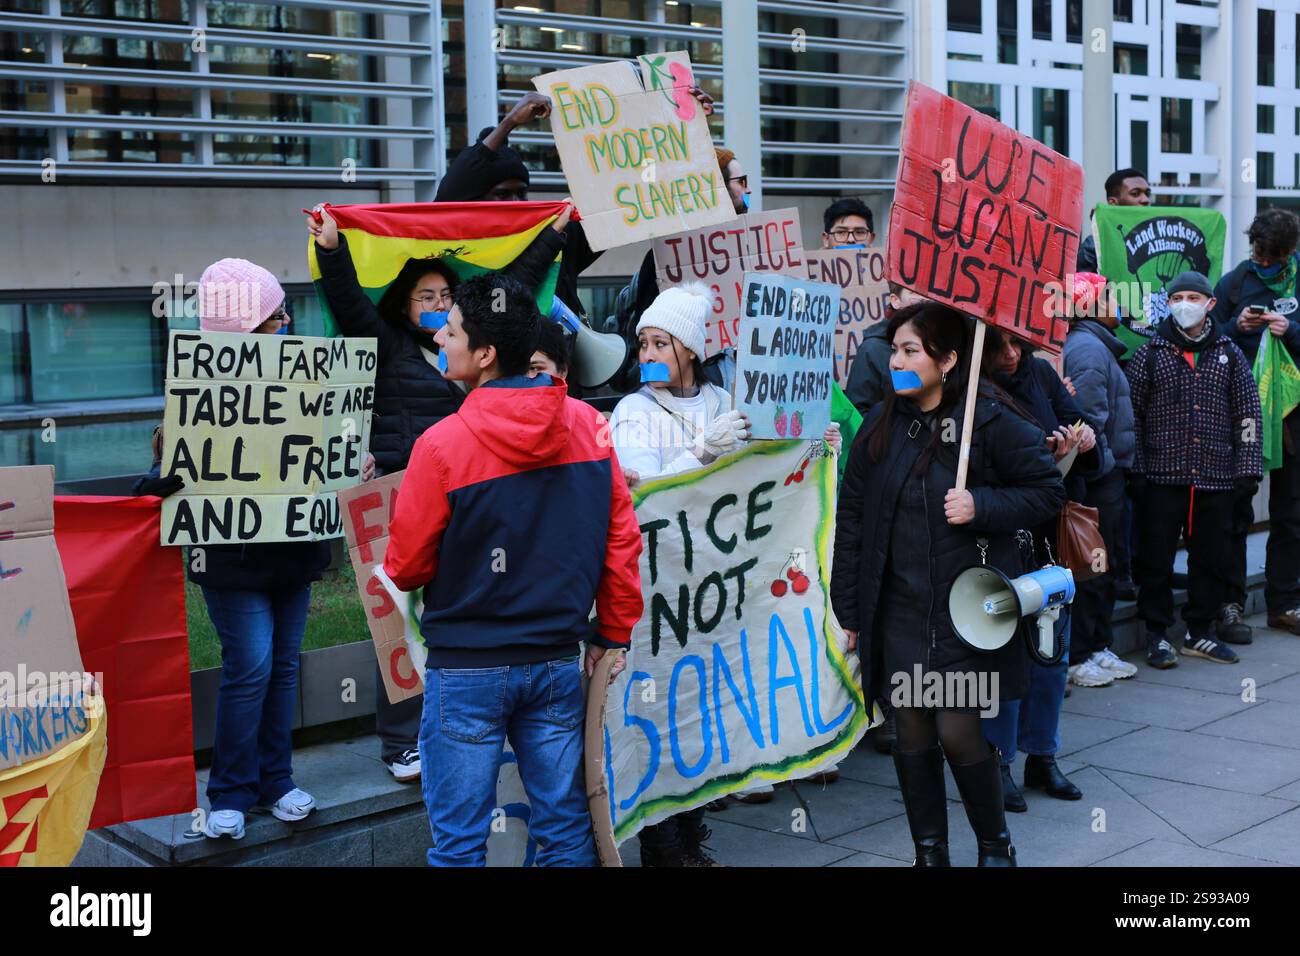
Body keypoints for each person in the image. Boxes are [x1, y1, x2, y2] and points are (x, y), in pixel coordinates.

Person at [382, 273, 644, 867]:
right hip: (556, 660)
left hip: (467, 669)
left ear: (486, 354)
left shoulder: (440, 445)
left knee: (458, 845)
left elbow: (406, 564)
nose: (441, 340)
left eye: (450, 331)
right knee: (565, 831)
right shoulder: (590, 428)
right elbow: (620, 542)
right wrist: (613, 631)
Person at [832, 303, 1066, 867]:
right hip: (901, 612)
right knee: (911, 734)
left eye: (911, 350)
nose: (897, 361)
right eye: (894, 350)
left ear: (949, 359)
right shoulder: (881, 427)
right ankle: (929, 853)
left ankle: (994, 847)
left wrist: (981, 504)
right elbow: (853, 520)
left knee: (960, 733)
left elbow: (1046, 493)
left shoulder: (990, 422)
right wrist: (850, 611)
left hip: (967, 614)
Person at [134, 258, 331, 840]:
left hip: (291, 554)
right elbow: (159, 474)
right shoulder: (197, 397)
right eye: (275, 320)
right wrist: (163, 481)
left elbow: (326, 454)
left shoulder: (303, 386)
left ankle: (277, 782)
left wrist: (351, 463)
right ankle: (230, 792)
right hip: (230, 560)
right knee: (252, 665)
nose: (288, 325)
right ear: (242, 333)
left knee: (284, 667)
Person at [308, 206, 468, 783]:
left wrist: (553, 234)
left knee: (453, 616)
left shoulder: (471, 352)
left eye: (446, 294)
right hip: (396, 500)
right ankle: (402, 743)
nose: (437, 304)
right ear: (404, 304)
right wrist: (332, 250)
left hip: (461, 501)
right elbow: (348, 302)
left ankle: (450, 731)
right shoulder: (386, 347)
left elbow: (521, 284)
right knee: (397, 618)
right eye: (425, 295)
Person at [980, 327, 1101, 811]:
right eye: (999, 346)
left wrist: (1084, 440)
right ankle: (997, 762)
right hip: (1000, 542)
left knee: (1050, 653)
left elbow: (1082, 429)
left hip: (1050, 537)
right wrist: (1037, 461)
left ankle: (1042, 754)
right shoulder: (969, 393)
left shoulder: (1040, 373)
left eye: (1017, 344)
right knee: (1004, 656)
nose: (1011, 355)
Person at [1127, 271, 1263, 668]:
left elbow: (1247, 413)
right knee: (1156, 559)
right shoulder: (1150, 354)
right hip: (1161, 478)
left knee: (1210, 557)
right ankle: (1157, 634)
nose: (1185, 303)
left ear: (1210, 304)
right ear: (1167, 304)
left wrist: (1247, 469)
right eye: (1177, 297)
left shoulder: (1229, 354)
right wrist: (1137, 468)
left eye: (1193, 296)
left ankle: (1199, 632)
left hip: (1217, 477)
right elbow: (1132, 415)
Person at [1215, 208, 1300, 638]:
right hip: (1242, 413)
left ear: (1291, 251)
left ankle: (1284, 603)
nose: (1262, 263)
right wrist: (1236, 324)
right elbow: (1209, 337)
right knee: (1236, 510)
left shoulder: (1298, 278)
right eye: (1257, 253)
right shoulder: (1235, 281)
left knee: (1291, 513)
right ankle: (1229, 603)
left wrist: (1293, 330)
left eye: (1271, 258)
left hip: (1292, 416)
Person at [1063, 273, 1140, 688]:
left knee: (1101, 564)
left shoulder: (1095, 345)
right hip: (1100, 478)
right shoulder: (1089, 350)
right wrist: (1106, 466)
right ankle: (1080, 655)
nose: (1118, 301)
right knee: (1091, 565)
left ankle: (1096, 646)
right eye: (1110, 296)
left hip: (1107, 474)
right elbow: (1090, 420)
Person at [846, 280, 928, 418]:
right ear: (895, 300)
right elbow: (858, 413)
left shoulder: (945, 344)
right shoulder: (872, 350)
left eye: (930, 292)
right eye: (914, 292)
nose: (924, 298)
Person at [1076, 168, 1153, 272]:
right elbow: (1084, 286)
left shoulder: (1164, 240)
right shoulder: (1094, 244)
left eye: (1147, 194)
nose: (1145, 200)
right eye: (1135, 193)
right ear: (1113, 203)